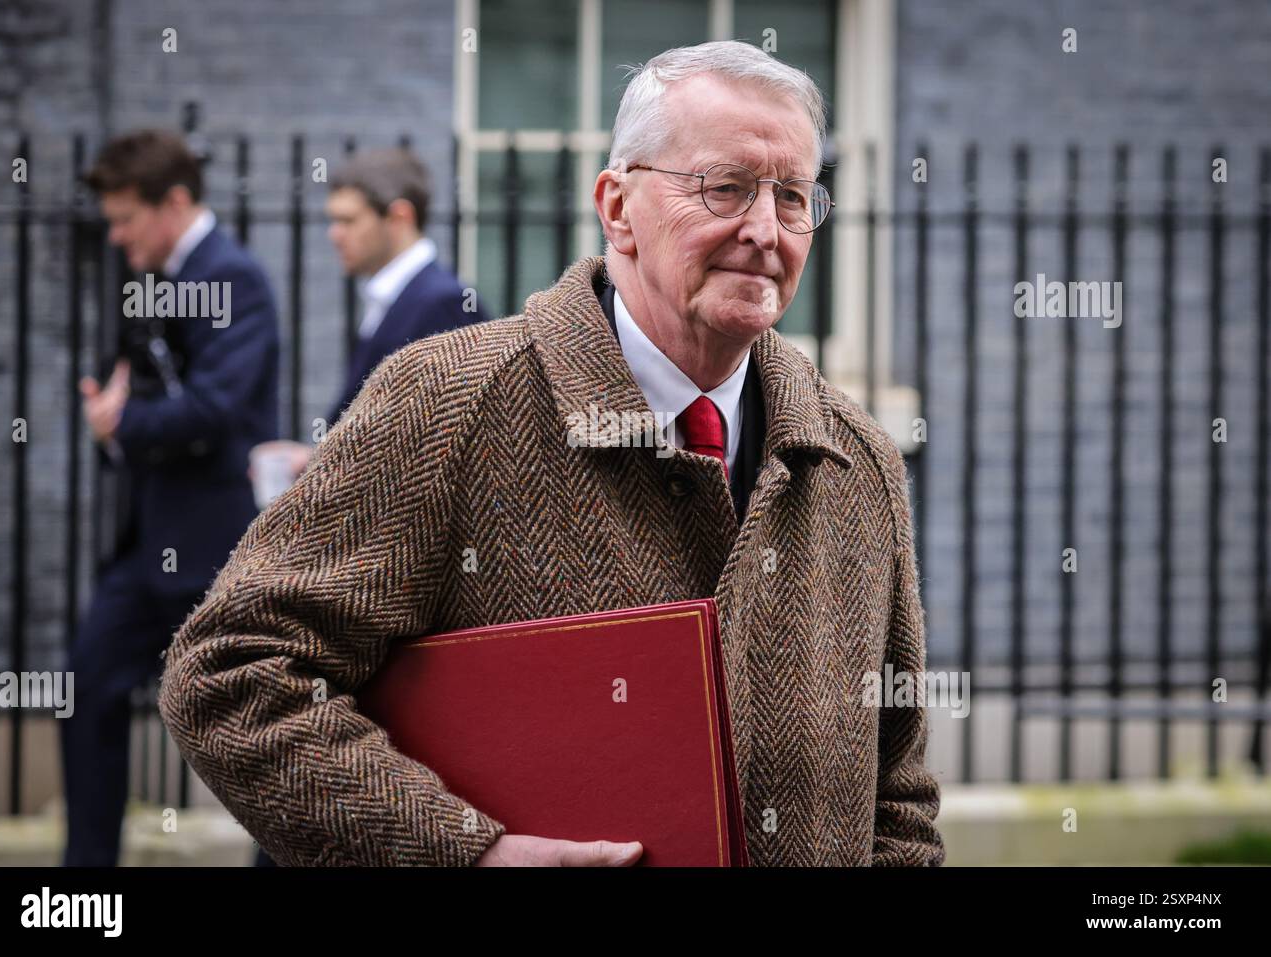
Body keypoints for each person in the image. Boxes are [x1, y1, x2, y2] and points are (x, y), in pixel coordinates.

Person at [159, 40, 945, 867]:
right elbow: (232, 672)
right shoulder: (447, 400)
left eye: (793, 197)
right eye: (726, 187)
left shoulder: (857, 458)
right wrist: (467, 853)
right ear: (616, 207)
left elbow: (897, 794)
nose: (763, 229)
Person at [63, 129, 280, 866]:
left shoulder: (236, 278)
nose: (117, 236)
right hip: (141, 543)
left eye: (127, 218)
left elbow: (218, 409)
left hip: (213, 542)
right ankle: (83, 880)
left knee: (251, 721)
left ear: (176, 201)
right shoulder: (150, 279)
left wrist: (126, 421)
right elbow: (123, 389)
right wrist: (112, 421)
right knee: (87, 688)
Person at [249, 147, 489, 483]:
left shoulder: (441, 301)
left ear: (400, 218)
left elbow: (430, 441)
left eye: (347, 220)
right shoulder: (398, 295)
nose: (334, 234)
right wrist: (313, 457)